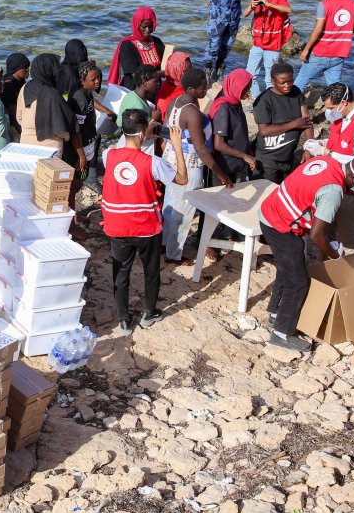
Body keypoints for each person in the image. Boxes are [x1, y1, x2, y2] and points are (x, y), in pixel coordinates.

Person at [259, 156, 354, 351]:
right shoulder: (334, 191)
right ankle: (281, 334)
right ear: (352, 176)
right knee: (298, 281)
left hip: (271, 210)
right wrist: (333, 254)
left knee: (287, 266)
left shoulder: (327, 161)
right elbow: (316, 235)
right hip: (280, 224)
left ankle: (275, 313)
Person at [102, 112, 187, 336]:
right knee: (151, 272)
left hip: (117, 225)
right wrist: (176, 146)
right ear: (142, 132)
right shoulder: (153, 163)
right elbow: (181, 179)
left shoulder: (108, 155)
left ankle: (123, 319)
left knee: (121, 272)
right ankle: (149, 313)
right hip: (146, 227)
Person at [162, 68, 233, 266]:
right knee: (184, 211)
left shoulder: (175, 102)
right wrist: (220, 173)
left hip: (171, 157)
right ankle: (173, 254)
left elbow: (167, 129)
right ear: (191, 88)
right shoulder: (192, 113)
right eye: (203, 88)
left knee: (171, 204)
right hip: (188, 163)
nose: (206, 90)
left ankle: (164, 243)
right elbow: (201, 149)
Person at [310, 83, 354, 253]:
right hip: (336, 181)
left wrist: (327, 153)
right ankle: (329, 260)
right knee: (328, 228)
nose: (329, 112)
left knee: (348, 235)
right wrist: (321, 143)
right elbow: (340, 142)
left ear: (344, 103)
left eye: (332, 108)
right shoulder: (341, 117)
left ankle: (347, 266)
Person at [67, 60, 115, 235]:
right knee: (75, 184)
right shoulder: (78, 97)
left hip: (88, 141)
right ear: (82, 80)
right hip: (81, 145)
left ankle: (73, 215)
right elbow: (75, 132)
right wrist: (81, 156)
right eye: (93, 79)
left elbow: (91, 101)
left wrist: (105, 110)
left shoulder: (84, 92)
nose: (97, 82)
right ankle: (71, 224)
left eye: (98, 78)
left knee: (79, 183)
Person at [295, 0, 354, 92]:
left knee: (301, 80)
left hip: (321, 51)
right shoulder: (353, 4)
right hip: (339, 53)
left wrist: (306, 49)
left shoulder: (324, 4)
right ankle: (336, 110)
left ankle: (289, 107)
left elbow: (318, 29)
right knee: (335, 88)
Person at [253, 60, 313, 183]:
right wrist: (295, 124)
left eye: (290, 81)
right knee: (267, 194)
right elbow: (264, 130)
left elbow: (307, 122)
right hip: (267, 160)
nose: (287, 85)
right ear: (273, 81)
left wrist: (309, 147)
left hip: (288, 159)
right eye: (282, 82)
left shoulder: (296, 92)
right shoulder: (264, 101)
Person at [18, 54, 81, 167]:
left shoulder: (25, 87)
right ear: (49, 71)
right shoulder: (52, 94)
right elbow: (62, 130)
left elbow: (19, 117)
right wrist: (67, 137)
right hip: (48, 151)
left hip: (25, 146)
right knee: (46, 182)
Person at [243, 0, 293, 97]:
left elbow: (288, 10)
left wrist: (269, 4)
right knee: (249, 76)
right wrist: (251, 6)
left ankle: (271, 105)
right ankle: (258, 102)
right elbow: (245, 14)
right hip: (258, 43)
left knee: (270, 79)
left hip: (273, 45)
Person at [210, 68, 258, 183]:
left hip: (239, 163)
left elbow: (241, 131)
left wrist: (249, 152)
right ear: (235, 86)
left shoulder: (235, 101)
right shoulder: (224, 108)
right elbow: (219, 144)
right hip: (226, 167)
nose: (248, 92)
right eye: (245, 89)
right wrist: (245, 156)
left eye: (249, 88)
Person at [108, 6, 166, 89]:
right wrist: (159, 73)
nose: (148, 30)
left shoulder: (157, 42)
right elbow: (135, 74)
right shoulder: (127, 45)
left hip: (156, 87)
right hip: (135, 89)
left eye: (150, 26)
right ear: (137, 25)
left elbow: (165, 66)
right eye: (144, 27)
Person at [117, 66, 165, 155]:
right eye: (155, 81)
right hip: (140, 149)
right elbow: (139, 135)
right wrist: (153, 118)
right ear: (144, 83)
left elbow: (120, 123)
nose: (159, 83)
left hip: (125, 142)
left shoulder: (130, 95)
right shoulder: (138, 105)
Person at [0, 53, 31, 140]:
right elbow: (13, 112)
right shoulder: (9, 85)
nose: (27, 70)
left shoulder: (19, 81)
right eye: (25, 67)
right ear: (16, 68)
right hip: (11, 124)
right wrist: (22, 132)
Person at [155, 51, 191, 118]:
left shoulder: (181, 85)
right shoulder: (165, 99)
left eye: (191, 68)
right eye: (186, 71)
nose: (191, 73)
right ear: (175, 71)